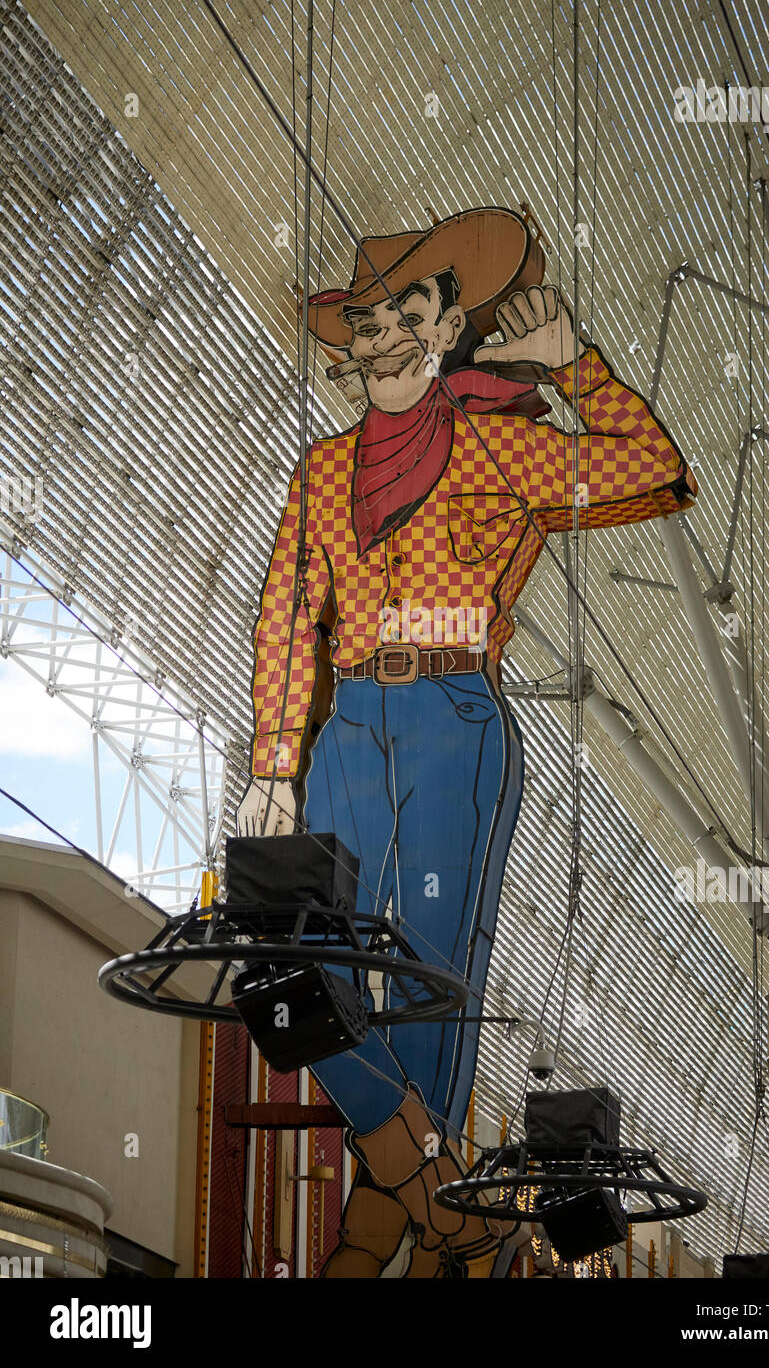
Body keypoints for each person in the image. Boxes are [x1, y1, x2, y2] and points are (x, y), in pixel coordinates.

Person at [236, 207, 697, 1276]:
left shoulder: (496, 442)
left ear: (446, 328)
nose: (385, 333)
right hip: (343, 726)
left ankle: (375, 1222)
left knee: (432, 976)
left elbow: (649, 463)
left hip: (454, 719)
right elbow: (282, 610)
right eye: (366, 317)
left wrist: (571, 363)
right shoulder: (317, 472)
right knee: (299, 958)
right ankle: (436, 1193)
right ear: (348, 342)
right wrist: (272, 761)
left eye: (410, 308)